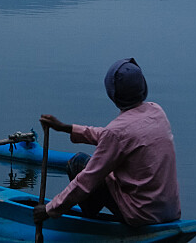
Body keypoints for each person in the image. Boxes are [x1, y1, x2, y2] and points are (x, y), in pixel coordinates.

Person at [33, 58, 182, 228]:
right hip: (170, 211)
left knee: (79, 163)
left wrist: (49, 209)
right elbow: (114, 137)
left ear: (113, 94)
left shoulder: (117, 132)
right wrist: (67, 128)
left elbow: (87, 180)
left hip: (142, 216)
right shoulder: (157, 111)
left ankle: (88, 221)